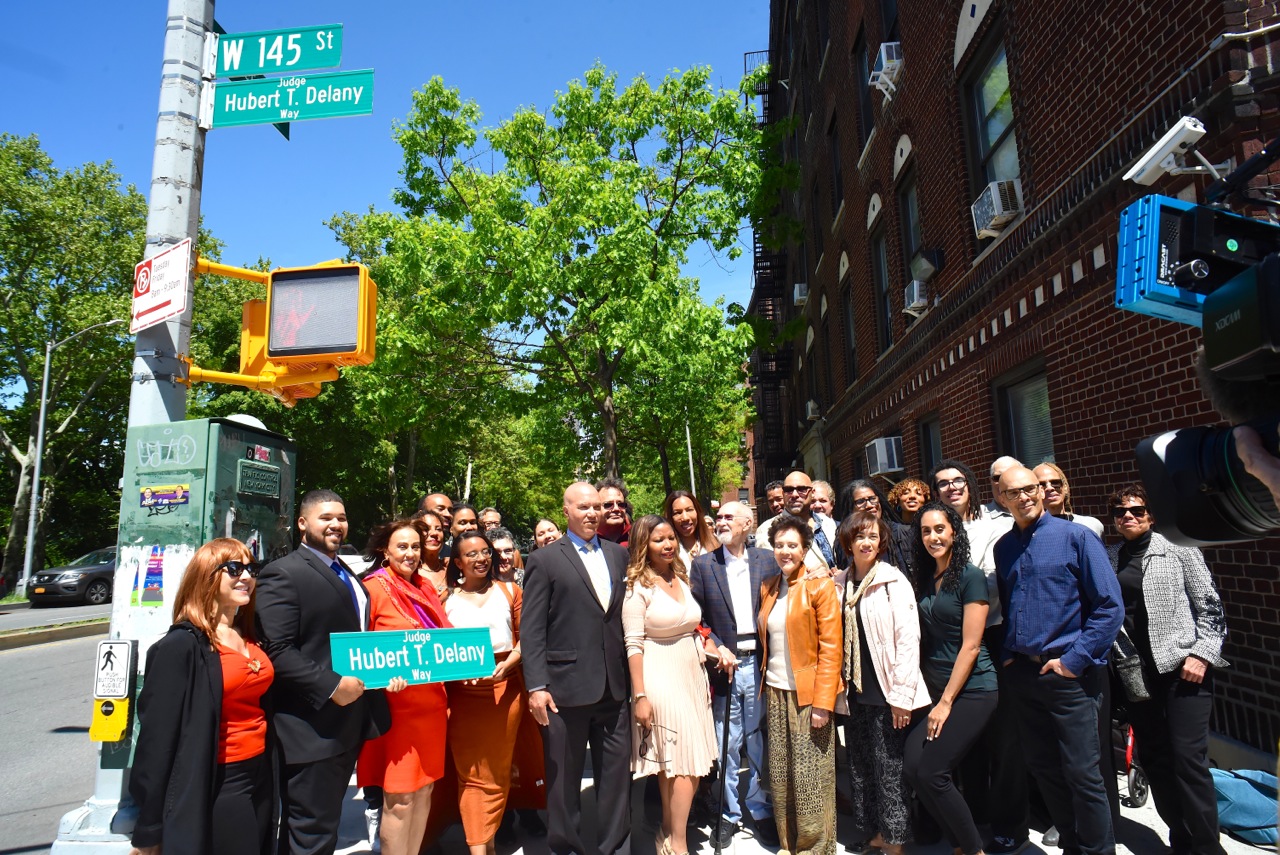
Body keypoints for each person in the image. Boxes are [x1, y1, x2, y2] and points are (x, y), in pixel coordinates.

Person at [994, 466, 1123, 855]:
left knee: (1083, 774)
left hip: (1069, 675)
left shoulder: (1076, 537)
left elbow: (1109, 607)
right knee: (1044, 769)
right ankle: (1072, 845)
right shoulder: (1004, 548)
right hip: (1025, 675)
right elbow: (1011, 605)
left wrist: (1074, 660)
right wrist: (1010, 656)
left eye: (1030, 489)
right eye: (1014, 492)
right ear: (1001, 499)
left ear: (1040, 490)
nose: (1024, 497)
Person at [256, 489, 389, 855]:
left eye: (341, 518)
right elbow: (277, 650)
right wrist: (331, 686)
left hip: (346, 726)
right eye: (326, 517)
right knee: (310, 835)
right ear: (303, 523)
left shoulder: (343, 570)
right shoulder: (284, 573)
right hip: (310, 730)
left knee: (322, 832)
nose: (336, 525)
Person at [129, 539, 275, 855]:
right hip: (220, 781)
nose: (247, 576)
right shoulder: (181, 647)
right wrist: (149, 828)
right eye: (234, 568)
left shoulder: (250, 633)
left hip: (261, 771)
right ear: (207, 575)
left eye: (251, 569)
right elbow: (157, 742)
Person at [1106, 483, 1228, 855]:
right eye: (1121, 512)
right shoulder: (1111, 558)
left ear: (1152, 515)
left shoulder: (1178, 549)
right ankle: (1182, 840)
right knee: (1156, 758)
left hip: (1183, 670)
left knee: (1188, 760)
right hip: (1137, 675)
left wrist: (1202, 654)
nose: (1128, 516)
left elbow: (1210, 607)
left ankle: (1208, 847)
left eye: (1137, 510)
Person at [521, 482, 632, 855]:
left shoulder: (619, 555)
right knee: (564, 781)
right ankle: (566, 847)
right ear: (566, 511)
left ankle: (614, 847)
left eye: (596, 507)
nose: (592, 513)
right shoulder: (544, 560)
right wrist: (536, 686)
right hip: (563, 691)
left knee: (616, 778)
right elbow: (532, 629)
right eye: (583, 507)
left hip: (614, 688)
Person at [903, 502, 998, 855]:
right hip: (935, 688)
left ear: (954, 532)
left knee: (933, 772)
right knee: (913, 767)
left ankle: (973, 850)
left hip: (972, 690)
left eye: (940, 529)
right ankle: (959, 843)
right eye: (926, 531)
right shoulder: (926, 577)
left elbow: (971, 646)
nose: (933, 537)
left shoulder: (970, 577)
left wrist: (945, 703)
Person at [443, 530, 547, 854]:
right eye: (472, 554)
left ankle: (486, 842)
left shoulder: (510, 590)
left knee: (498, 774)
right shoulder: (444, 599)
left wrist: (510, 662)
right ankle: (479, 846)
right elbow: (436, 648)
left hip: (505, 691)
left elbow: (530, 636)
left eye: (485, 552)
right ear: (458, 562)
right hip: (462, 697)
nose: (482, 558)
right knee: (472, 775)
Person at [835, 511, 931, 855]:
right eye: (859, 536)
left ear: (881, 543)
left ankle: (894, 844)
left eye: (873, 537)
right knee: (862, 768)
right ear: (848, 542)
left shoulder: (893, 581)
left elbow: (908, 639)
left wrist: (902, 696)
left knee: (890, 772)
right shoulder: (841, 583)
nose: (866, 543)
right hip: (855, 693)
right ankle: (876, 833)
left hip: (888, 692)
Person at [623, 515, 718, 855]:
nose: (668, 544)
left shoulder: (679, 576)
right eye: (658, 540)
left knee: (673, 762)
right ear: (643, 546)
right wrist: (641, 696)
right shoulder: (637, 589)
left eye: (670, 538)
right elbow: (633, 644)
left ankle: (667, 832)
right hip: (659, 675)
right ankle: (679, 844)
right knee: (685, 762)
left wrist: (712, 647)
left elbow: (693, 626)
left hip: (690, 672)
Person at [357, 519, 451, 855]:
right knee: (399, 799)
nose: (410, 553)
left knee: (425, 791)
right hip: (397, 711)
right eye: (402, 546)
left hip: (433, 706)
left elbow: (445, 640)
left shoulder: (426, 588)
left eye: (415, 546)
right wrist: (381, 677)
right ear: (386, 550)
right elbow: (358, 651)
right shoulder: (372, 589)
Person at [689, 501, 779, 848]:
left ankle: (760, 809)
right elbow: (697, 618)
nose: (722, 522)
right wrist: (715, 645)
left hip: (758, 664)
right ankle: (728, 814)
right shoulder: (704, 565)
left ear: (748, 523)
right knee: (726, 742)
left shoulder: (767, 561)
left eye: (729, 517)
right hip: (723, 667)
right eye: (719, 517)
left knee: (756, 741)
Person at [758, 513, 842, 855]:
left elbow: (831, 649)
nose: (785, 551)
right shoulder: (769, 586)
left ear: (805, 549)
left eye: (792, 545)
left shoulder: (820, 586)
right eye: (779, 545)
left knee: (811, 778)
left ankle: (816, 847)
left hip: (809, 697)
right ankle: (789, 842)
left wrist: (823, 703)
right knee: (782, 776)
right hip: (776, 691)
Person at [840, 479, 915, 576]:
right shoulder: (844, 540)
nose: (869, 505)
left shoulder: (902, 533)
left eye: (872, 499)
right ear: (850, 508)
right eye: (860, 501)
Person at [780, 471, 839, 576]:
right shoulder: (768, 530)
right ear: (783, 493)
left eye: (801, 489)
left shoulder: (829, 523)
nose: (794, 495)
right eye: (789, 490)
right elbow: (773, 573)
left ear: (812, 492)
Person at [1036, 462, 1104, 537]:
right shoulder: (1032, 532)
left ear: (1065, 487)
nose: (1049, 488)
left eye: (1055, 483)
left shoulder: (1091, 525)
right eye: (1041, 485)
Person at [663, 490, 718, 567]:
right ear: (670, 517)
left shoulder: (717, 544)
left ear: (697, 512)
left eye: (689, 510)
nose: (685, 518)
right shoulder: (667, 552)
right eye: (678, 513)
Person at [416, 511, 449, 598]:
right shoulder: (410, 573)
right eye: (426, 529)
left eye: (438, 529)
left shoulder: (451, 569)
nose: (434, 533)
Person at [597, 477, 633, 547]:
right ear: (596, 508)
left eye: (621, 504)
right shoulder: (586, 539)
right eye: (608, 505)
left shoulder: (638, 537)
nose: (616, 508)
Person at [754, 480, 786, 546]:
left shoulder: (803, 521)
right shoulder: (764, 529)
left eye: (779, 499)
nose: (775, 504)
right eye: (771, 501)